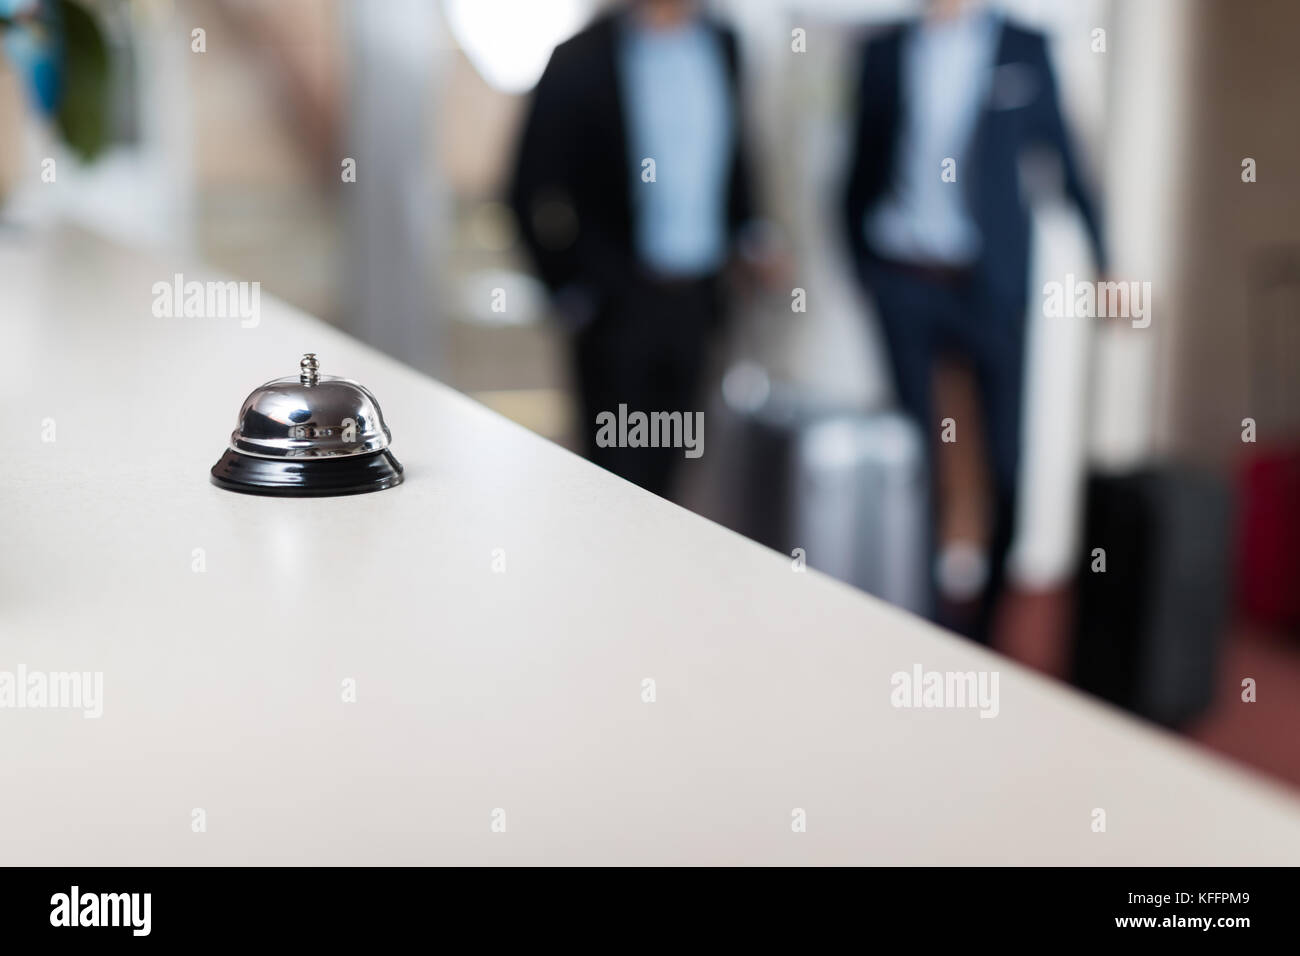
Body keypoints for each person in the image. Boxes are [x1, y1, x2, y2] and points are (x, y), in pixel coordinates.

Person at [843, 0, 1107, 643]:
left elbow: (1065, 162)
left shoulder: (1024, 47)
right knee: (917, 457)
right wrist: (866, 272)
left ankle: (985, 629)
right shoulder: (882, 51)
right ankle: (923, 613)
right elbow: (856, 174)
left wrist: (1109, 267)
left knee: (1006, 461)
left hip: (989, 285)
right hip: (906, 279)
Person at [509, 0, 771, 498]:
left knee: (675, 472)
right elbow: (526, 188)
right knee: (617, 478)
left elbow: (735, 157)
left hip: (698, 300)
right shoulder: (580, 57)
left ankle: (662, 576)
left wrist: (752, 236)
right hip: (617, 304)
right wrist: (571, 291)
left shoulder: (724, 44)